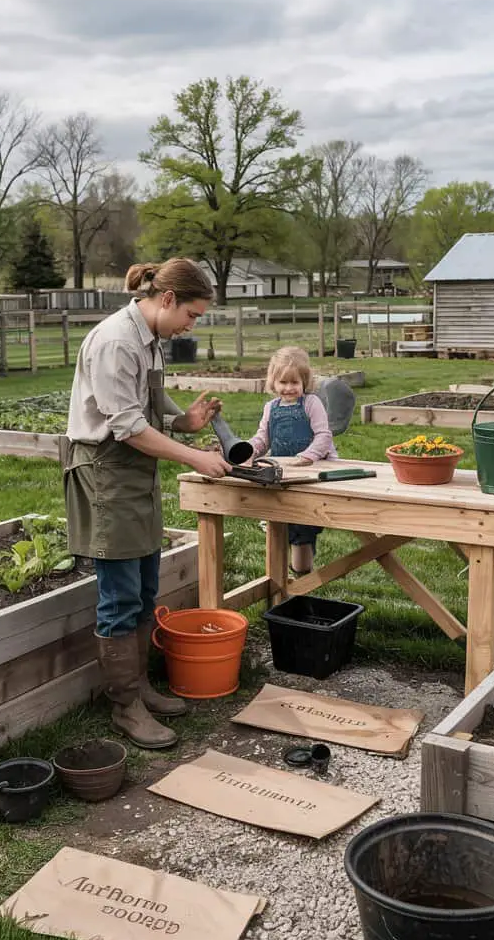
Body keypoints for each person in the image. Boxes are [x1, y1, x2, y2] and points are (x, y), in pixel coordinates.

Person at [64, 258, 230, 751]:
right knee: (119, 597)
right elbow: (127, 427)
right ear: (167, 300)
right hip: (106, 475)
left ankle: (140, 688)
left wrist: (188, 423)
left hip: (136, 474)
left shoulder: (149, 340)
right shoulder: (117, 340)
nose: (191, 325)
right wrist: (196, 458)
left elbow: (148, 412)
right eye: (192, 315)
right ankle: (125, 707)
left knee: (145, 586)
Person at [248, 346, 337, 576]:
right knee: (279, 523)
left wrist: (308, 456)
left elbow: (324, 436)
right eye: (283, 382)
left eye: (294, 382)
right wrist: (249, 451)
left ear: (304, 381)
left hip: (311, 473)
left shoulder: (311, 403)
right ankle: (277, 580)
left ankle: (302, 575)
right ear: (273, 382)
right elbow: (262, 438)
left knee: (302, 528)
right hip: (283, 475)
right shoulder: (271, 408)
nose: (288, 388)